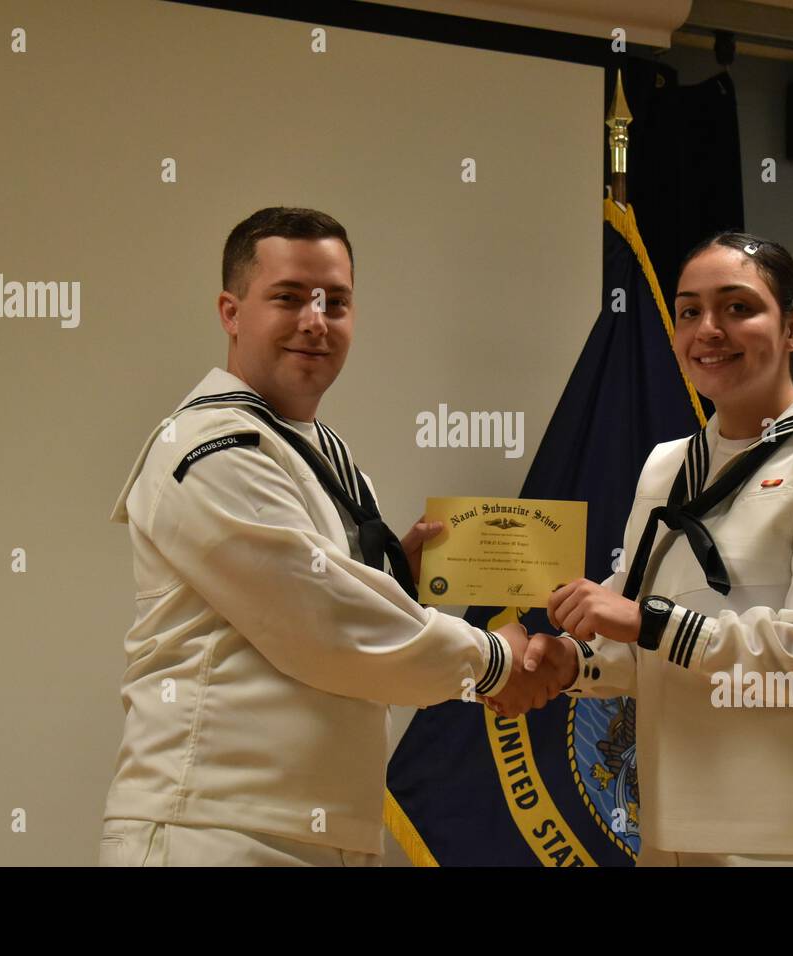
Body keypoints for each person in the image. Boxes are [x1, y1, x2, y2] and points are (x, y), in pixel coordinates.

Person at [99, 207, 569, 866]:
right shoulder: (209, 447)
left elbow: (336, 604)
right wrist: (491, 662)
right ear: (231, 313)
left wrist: (392, 582)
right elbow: (325, 624)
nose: (316, 321)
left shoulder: (322, 454)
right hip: (216, 830)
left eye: (336, 302)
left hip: (322, 831)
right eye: (289, 297)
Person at [504, 231, 793, 867]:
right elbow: (640, 644)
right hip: (673, 835)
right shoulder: (668, 466)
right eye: (690, 311)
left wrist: (646, 623)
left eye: (738, 308)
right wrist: (571, 663)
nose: (708, 330)